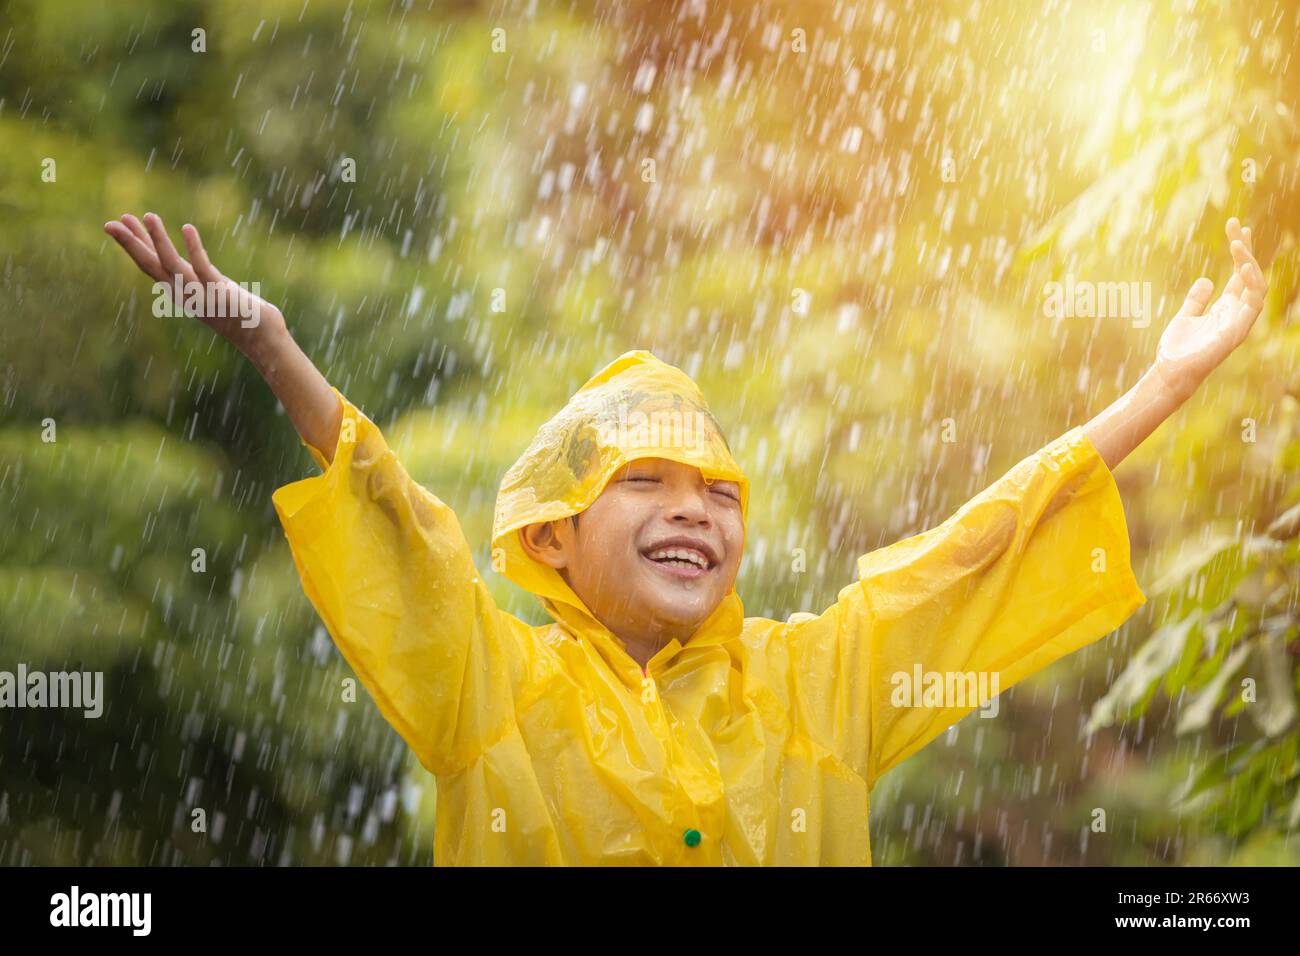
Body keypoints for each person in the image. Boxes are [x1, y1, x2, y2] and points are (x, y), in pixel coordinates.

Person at [104, 212, 1267, 865]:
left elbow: (981, 545)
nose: (694, 509)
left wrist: (1162, 385)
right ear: (552, 541)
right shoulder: (490, 685)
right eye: (644, 480)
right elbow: (402, 528)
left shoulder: (819, 681)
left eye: (718, 491)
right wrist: (272, 350)